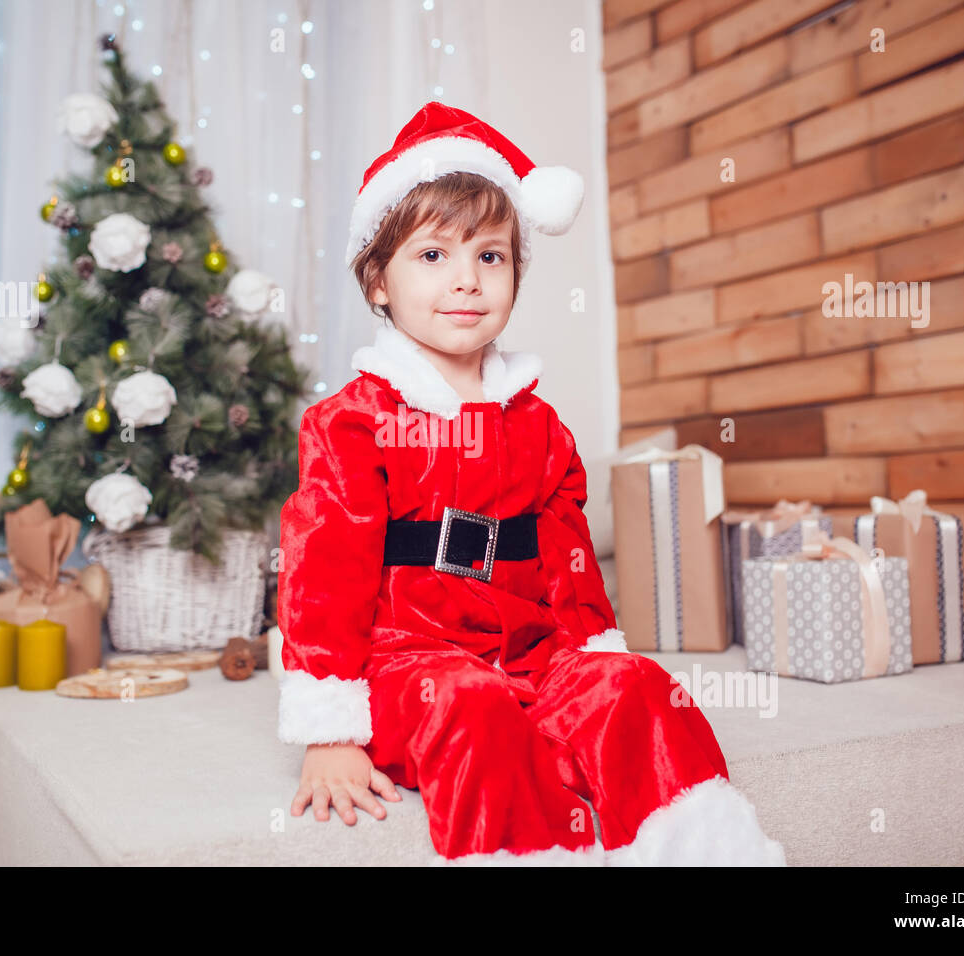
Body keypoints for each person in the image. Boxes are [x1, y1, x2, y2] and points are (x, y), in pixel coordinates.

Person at [276, 102, 785, 866]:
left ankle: (700, 849)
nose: (467, 281)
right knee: (472, 707)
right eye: (433, 256)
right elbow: (323, 577)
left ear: (515, 272)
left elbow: (569, 559)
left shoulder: (540, 425)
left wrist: (594, 654)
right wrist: (330, 728)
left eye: (490, 257)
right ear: (378, 280)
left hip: (531, 653)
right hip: (409, 662)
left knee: (636, 688)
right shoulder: (352, 422)